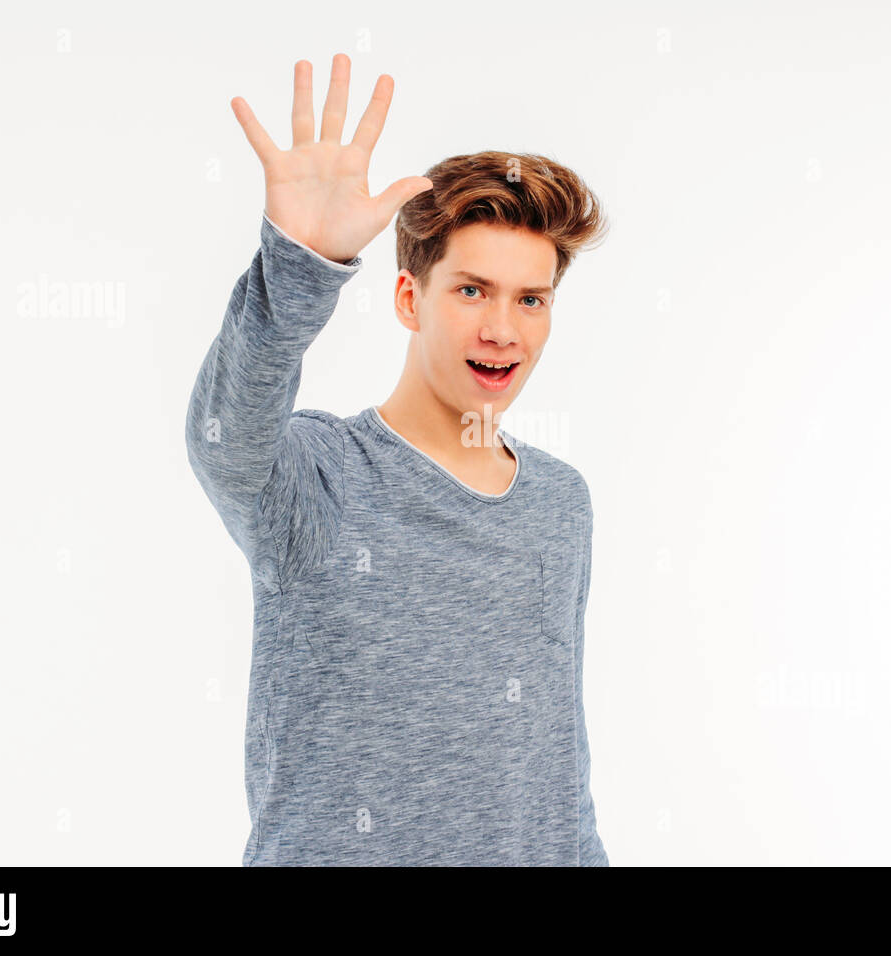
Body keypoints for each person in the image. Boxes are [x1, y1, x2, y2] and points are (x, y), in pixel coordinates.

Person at [185, 53, 610, 865]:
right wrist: (299, 268)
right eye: (471, 290)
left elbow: (558, 766)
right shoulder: (319, 476)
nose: (502, 330)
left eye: (531, 300)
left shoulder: (562, 503)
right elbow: (222, 439)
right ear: (411, 298)